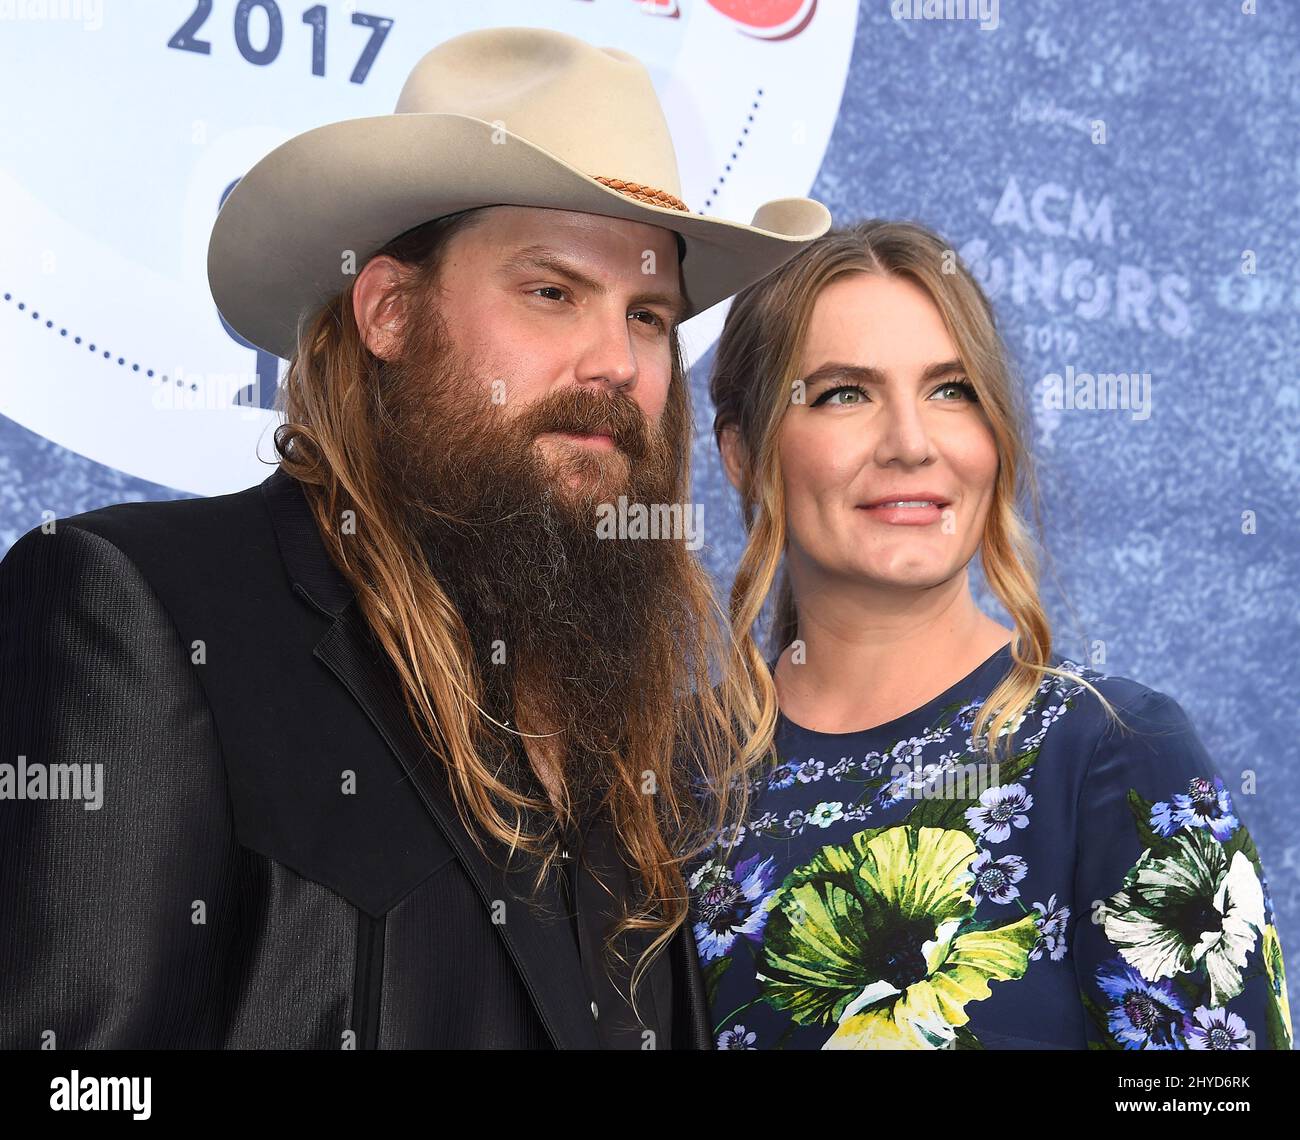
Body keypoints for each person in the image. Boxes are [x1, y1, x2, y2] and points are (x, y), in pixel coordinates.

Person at [0, 26, 829, 1049]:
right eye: (553, 291)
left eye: (650, 315)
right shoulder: (144, 610)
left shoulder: (645, 726)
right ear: (390, 310)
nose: (615, 361)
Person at [687, 218, 1292, 1051]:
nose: (910, 443)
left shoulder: (1113, 753)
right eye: (843, 393)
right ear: (743, 453)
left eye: (951, 389)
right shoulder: (669, 780)